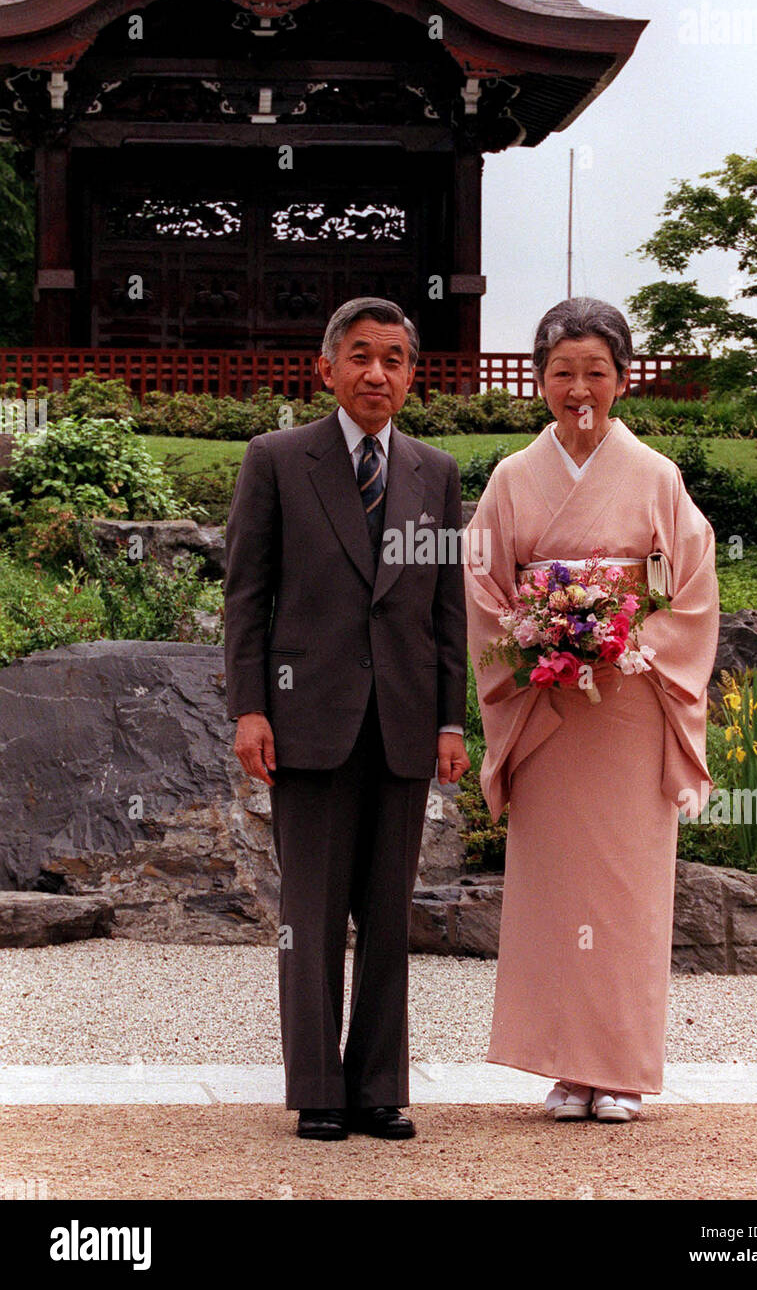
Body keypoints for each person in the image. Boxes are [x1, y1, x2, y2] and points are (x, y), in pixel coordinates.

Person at [464, 298, 719, 1123]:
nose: (580, 389)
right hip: (547, 707)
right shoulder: (511, 477)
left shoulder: (655, 477)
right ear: (540, 380)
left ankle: (621, 1068)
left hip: (629, 705)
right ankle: (565, 1068)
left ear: (624, 379)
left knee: (625, 890)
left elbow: (694, 593)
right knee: (553, 889)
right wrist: (533, 639)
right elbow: (483, 584)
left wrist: (623, 637)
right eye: (563, 372)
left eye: (596, 373)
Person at [224, 297, 469, 1141]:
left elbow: (446, 610)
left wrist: (451, 720)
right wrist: (250, 707)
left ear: (411, 375)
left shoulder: (434, 474)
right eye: (360, 356)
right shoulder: (279, 460)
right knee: (311, 915)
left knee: (389, 917)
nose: (378, 372)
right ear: (325, 370)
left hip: (403, 724)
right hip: (306, 721)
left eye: (394, 358)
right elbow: (247, 598)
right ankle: (318, 1088)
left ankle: (380, 1085)